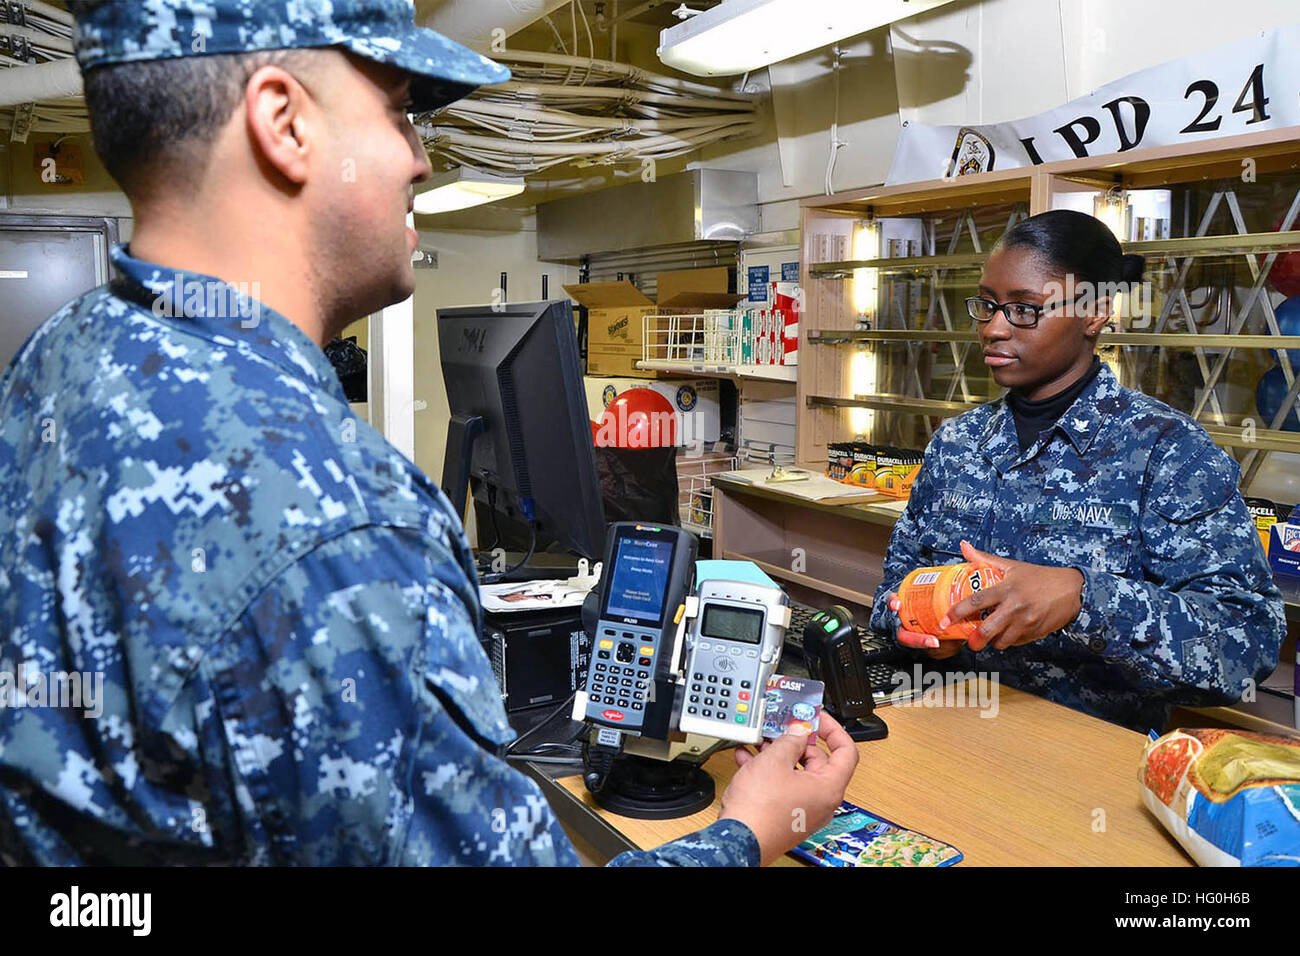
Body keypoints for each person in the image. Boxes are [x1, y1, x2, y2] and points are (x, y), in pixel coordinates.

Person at [0, 0, 856, 866]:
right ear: (282, 123)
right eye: (399, 108)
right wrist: (749, 829)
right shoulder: (340, 526)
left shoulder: (62, 357)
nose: (419, 156)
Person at [869, 209, 1286, 734]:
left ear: (1093, 313)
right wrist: (920, 624)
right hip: (947, 739)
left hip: (1084, 770)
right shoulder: (958, 443)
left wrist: (1083, 598)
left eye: (1025, 309)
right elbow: (892, 594)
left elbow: (1245, 643)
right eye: (988, 305)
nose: (994, 328)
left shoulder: (1167, 452)